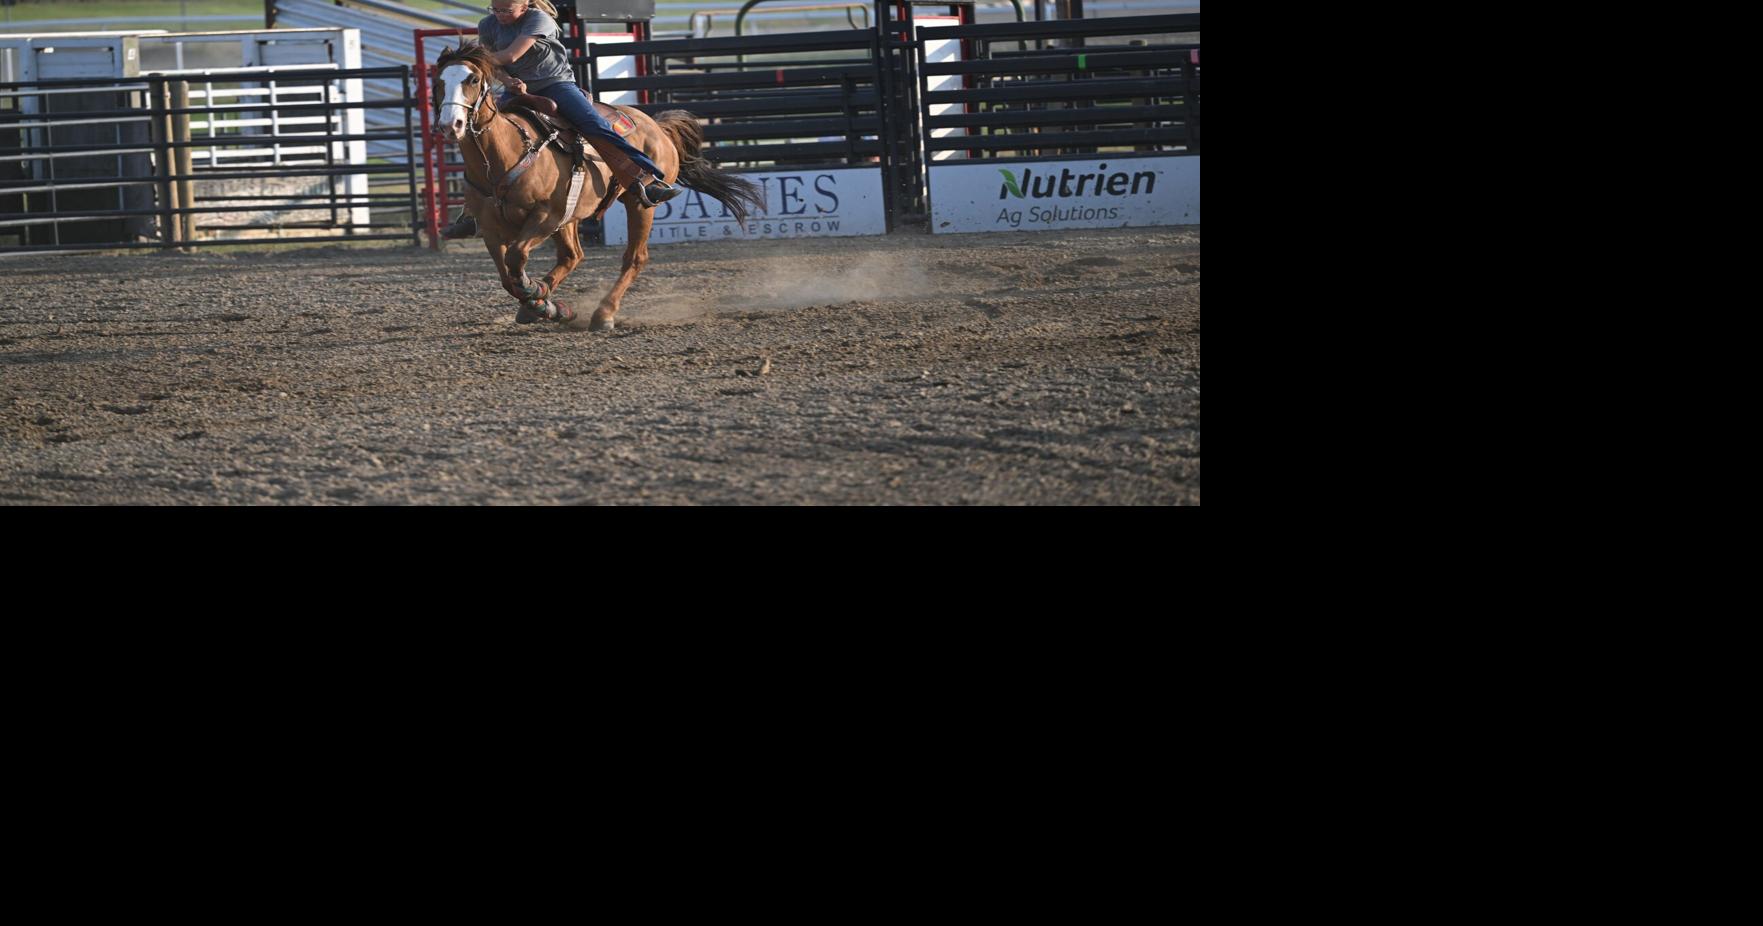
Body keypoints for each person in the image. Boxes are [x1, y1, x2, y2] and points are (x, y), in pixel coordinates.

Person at [445, 0, 680, 238]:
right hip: (516, 90)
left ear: (524, 7)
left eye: (506, 10)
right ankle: (472, 210)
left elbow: (511, 55)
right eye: (495, 9)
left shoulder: (539, 19)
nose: (499, 15)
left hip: (555, 85)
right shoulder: (488, 25)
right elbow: (494, 67)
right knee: (481, 132)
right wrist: (507, 82)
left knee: (595, 125)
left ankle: (647, 179)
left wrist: (472, 60)